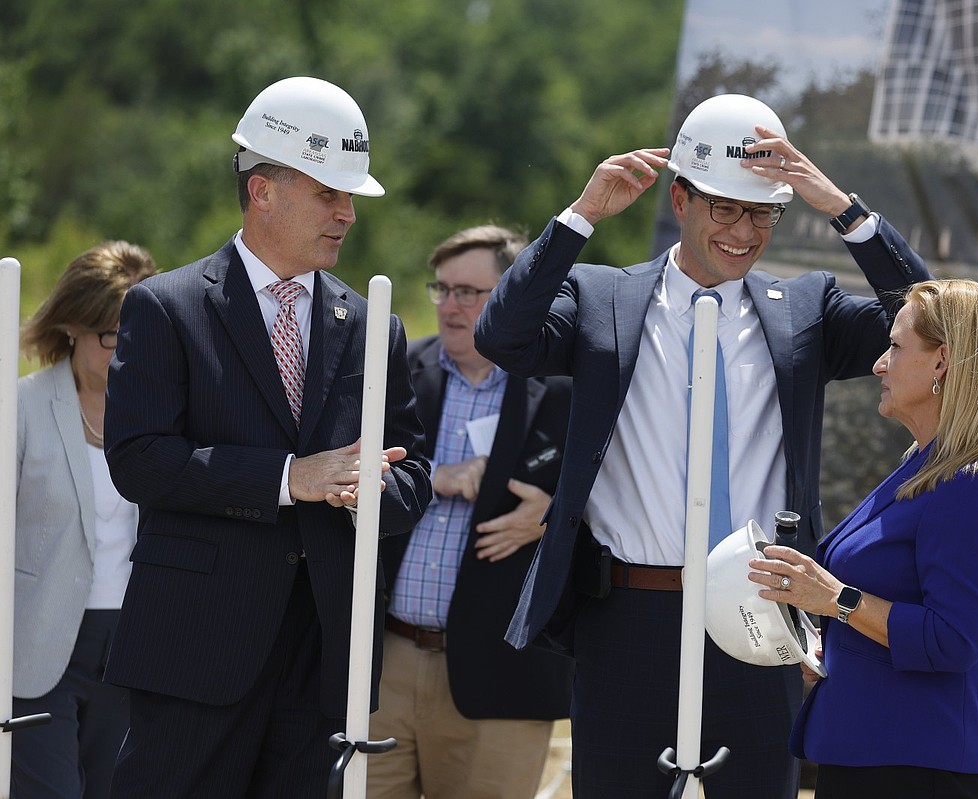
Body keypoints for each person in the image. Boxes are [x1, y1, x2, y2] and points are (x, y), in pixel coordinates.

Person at [473, 93, 932, 799]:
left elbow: (933, 319)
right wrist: (580, 218)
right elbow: (501, 336)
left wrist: (844, 208)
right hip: (627, 615)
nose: (746, 232)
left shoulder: (804, 310)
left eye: (764, 213)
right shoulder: (604, 300)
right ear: (680, 198)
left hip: (758, 612)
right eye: (726, 208)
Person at [102, 76, 432, 799]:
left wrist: (369, 487)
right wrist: (288, 477)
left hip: (323, 661)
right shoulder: (166, 307)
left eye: (351, 198)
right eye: (330, 194)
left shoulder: (376, 324)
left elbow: (413, 472)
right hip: (196, 651)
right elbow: (138, 459)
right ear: (264, 190)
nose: (348, 214)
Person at [749, 279, 978, 799]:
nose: (879, 364)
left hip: (915, 768)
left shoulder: (970, 487)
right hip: (869, 754)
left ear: (941, 362)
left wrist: (834, 599)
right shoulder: (922, 469)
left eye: (895, 347)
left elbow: (953, 639)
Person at [366, 225, 573, 799]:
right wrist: (432, 479)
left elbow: (621, 502)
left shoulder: (564, 390)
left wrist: (554, 519)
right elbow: (337, 471)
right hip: (385, 665)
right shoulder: (393, 373)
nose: (451, 306)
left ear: (512, 299)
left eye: (470, 293)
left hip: (505, 679)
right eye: (442, 289)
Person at [11, 241, 156, 799]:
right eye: (110, 336)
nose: (123, 353)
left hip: (130, 650)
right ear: (72, 324)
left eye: (137, 337)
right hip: (38, 645)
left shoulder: (159, 412)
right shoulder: (19, 407)